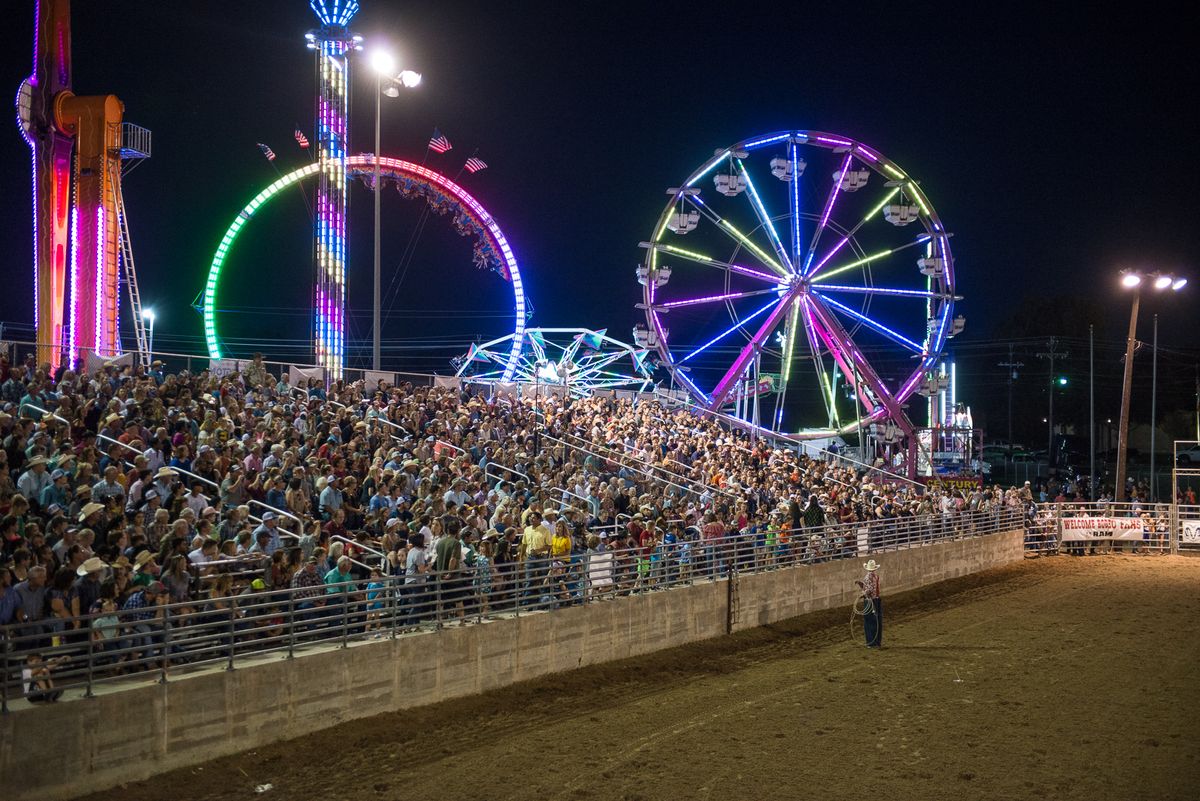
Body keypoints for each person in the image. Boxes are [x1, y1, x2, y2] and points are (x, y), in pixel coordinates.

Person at [854, 559, 883, 648]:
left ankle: (871, 642)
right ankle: (877, 641)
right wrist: (861, 584)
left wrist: (862, 594)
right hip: (876, 600)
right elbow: (871, 587)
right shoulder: (875, 576)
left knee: (869, 621)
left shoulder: (868, 577)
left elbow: (868, 590)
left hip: (870, 601)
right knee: (877, 620)